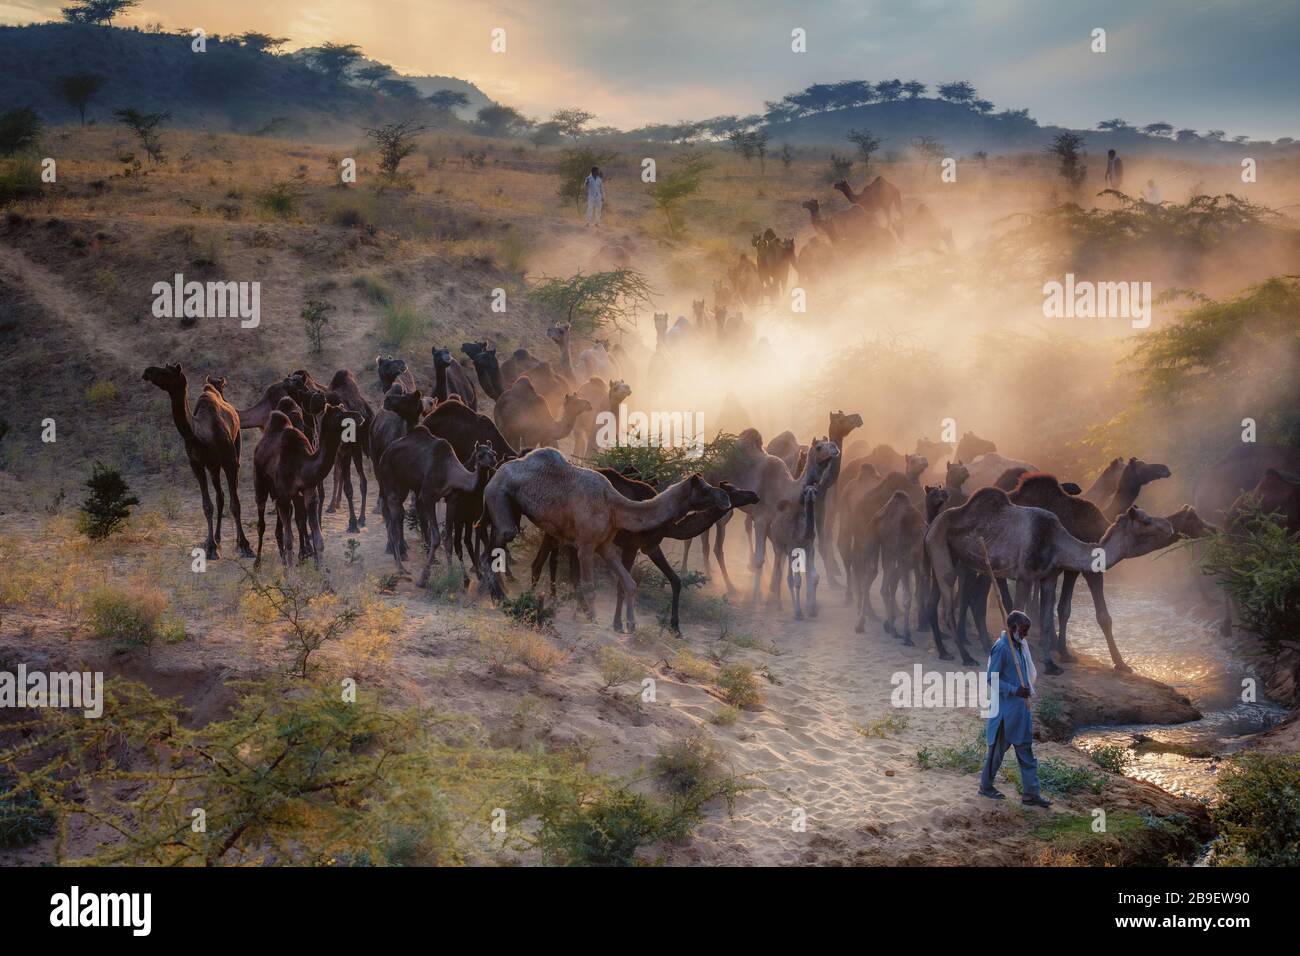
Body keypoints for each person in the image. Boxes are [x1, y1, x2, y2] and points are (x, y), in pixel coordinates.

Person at [979, 610, 1052, 807]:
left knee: (1026, 752)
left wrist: (1023, 691)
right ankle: (986, 787)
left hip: (1020, 712)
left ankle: (1030, 794)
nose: (1026, 634)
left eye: (1027, 629)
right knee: (996, 753)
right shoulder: (1002, 648)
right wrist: (1015, 690)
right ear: (1013, 628)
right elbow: (991, 679)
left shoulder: (1019, 646)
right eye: (1024, 629)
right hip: (1005, 712)